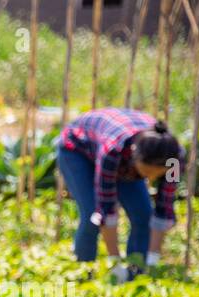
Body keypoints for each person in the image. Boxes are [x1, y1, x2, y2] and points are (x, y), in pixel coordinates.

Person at [54, 108, 185, 281]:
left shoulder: (174, 160)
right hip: (77, 150)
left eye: (157, 174)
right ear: (134, 157)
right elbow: (105, 210)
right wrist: (114, 261)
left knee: (143, 215)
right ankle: (83, 273)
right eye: (146, 172)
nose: (151, 179)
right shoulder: (113, 151)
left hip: (120, 157)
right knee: (91, 214)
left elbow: (164, 207)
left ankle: (137, 273)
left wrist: (153, 258)